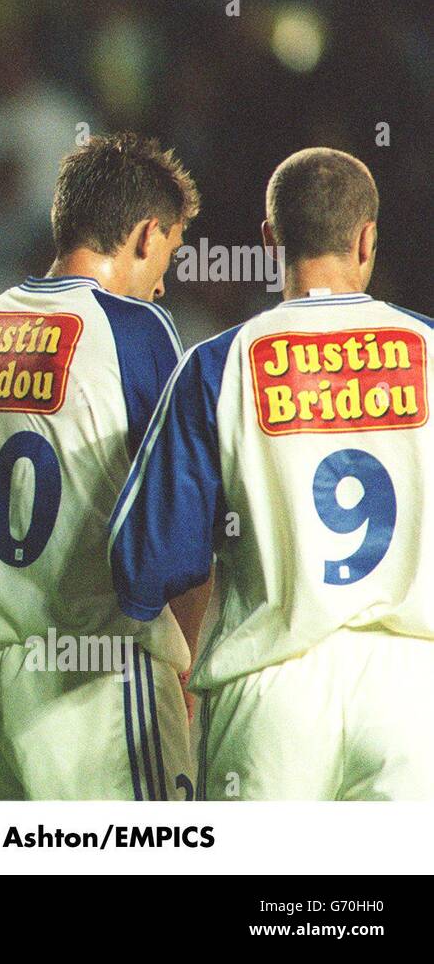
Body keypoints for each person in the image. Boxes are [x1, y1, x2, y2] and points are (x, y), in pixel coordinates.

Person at [110, 147, 434, 800]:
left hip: (269, 689)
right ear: (367, 237)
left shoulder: (215, 365)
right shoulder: (428, 347)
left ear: (269, 239)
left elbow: (145, 563)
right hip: (412, 689)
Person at [0, 133, 205, 800]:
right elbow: (175, 512)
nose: (165, 279)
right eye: (170, 251)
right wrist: (193, 661)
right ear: (146, 235)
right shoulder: (133, 327)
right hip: (89, 676)